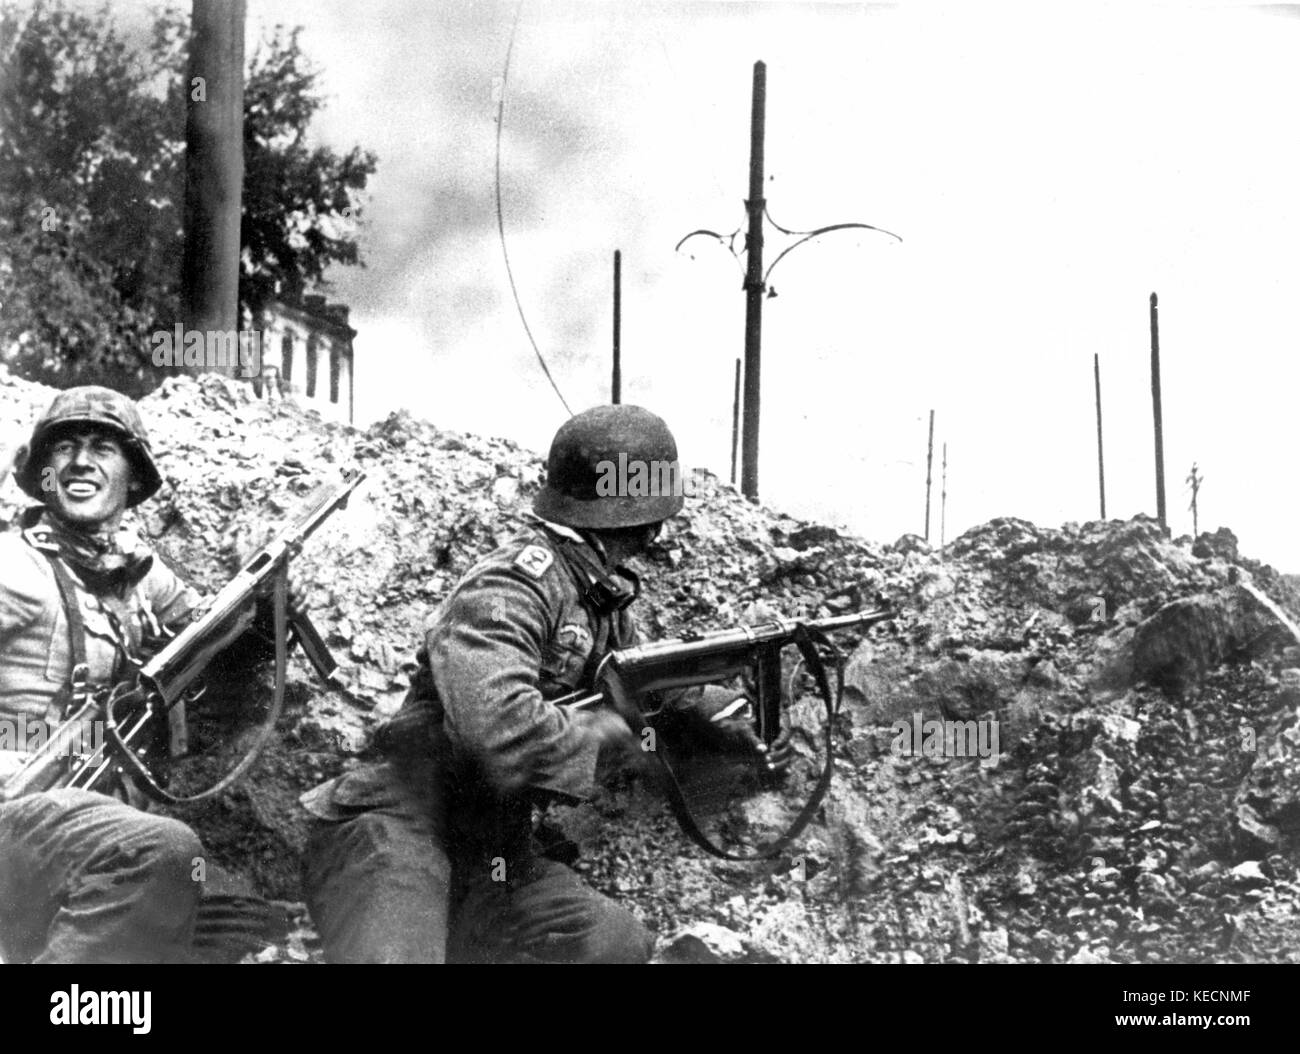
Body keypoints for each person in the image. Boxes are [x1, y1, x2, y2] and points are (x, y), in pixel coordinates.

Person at [301, 404, 789, 964]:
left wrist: (729, 720)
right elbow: (496, 729)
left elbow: (645, 678)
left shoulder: (594, 593)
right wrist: (602, 730)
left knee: (610, 943)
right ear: (642, 517)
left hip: (488, 854)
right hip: (396, 830)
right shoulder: (512, 585)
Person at [0, 386, 274, 964]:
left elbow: (211, 649)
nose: (80, 462)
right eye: (65, 448)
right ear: (42, 474)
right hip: (15, 818)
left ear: (132, 478)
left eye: (103, 448)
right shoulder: (13, 565)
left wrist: (264, 604)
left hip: (86, 828)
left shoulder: (143, 579)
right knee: (164, 850)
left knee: (230, 909)